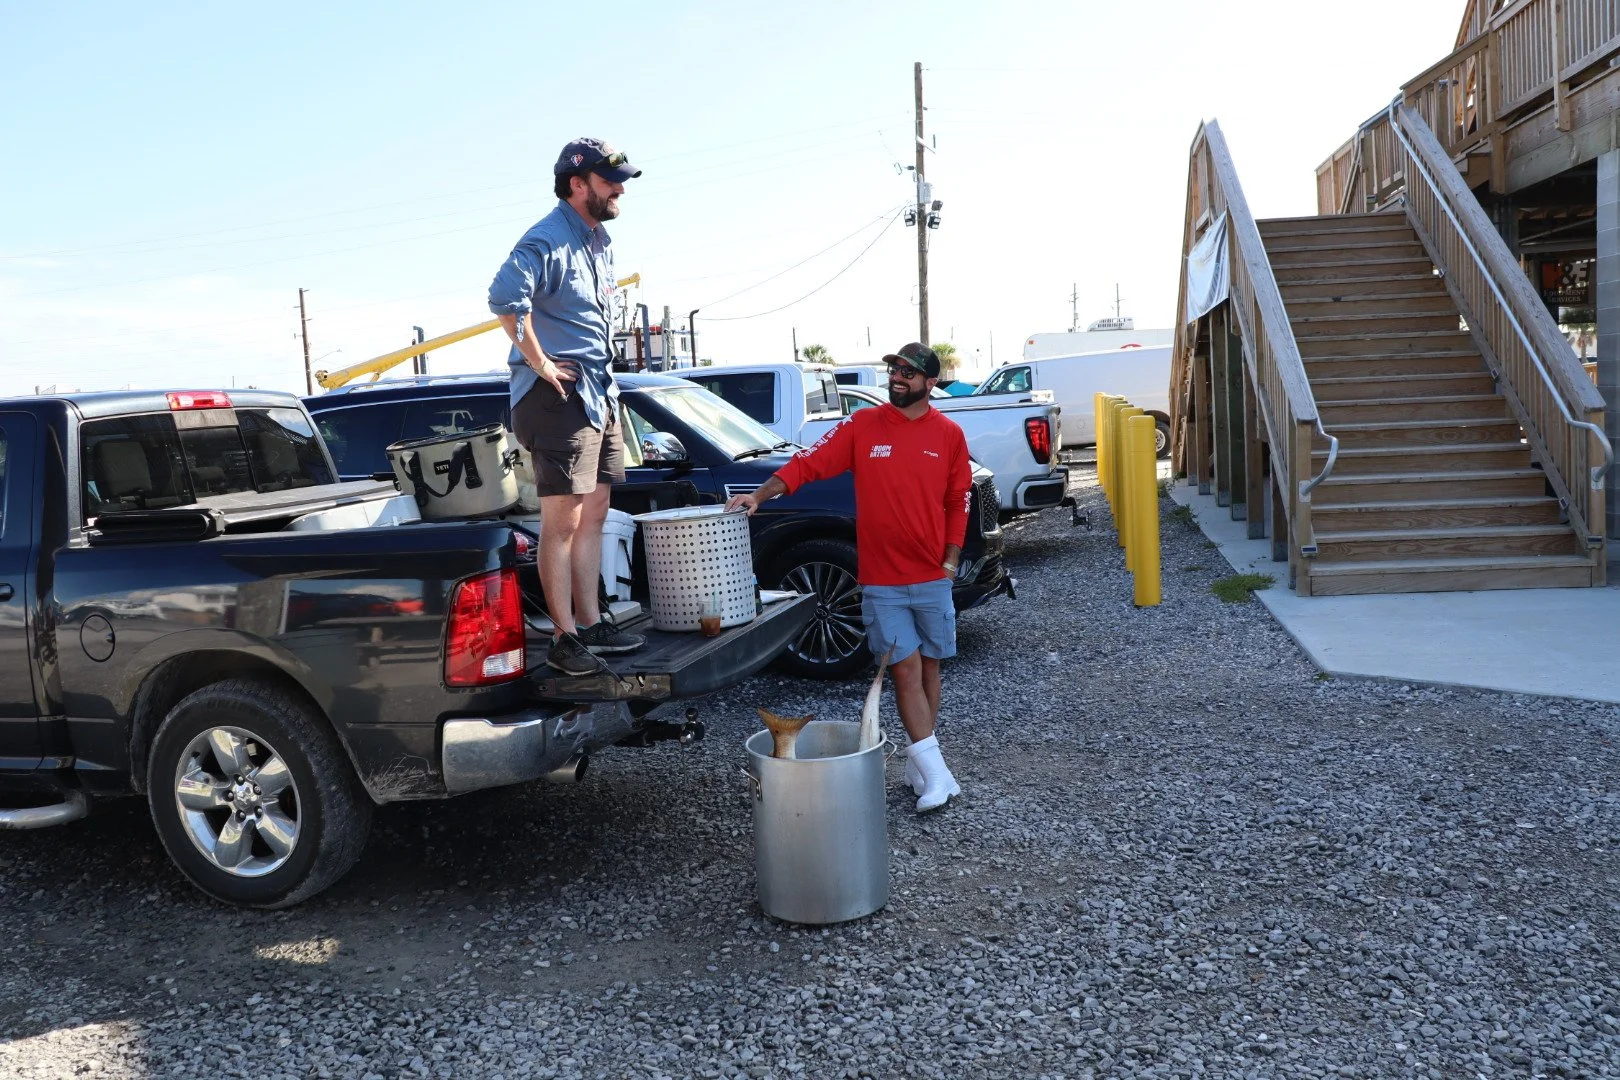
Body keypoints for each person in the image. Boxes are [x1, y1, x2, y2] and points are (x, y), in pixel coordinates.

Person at [726, 342, 972, 812]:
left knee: (931, 667)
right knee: (903, 669)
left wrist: (951, 560)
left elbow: (957, 499)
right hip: (882, 580)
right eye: (894, 369)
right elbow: (806, 464)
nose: (897, 377)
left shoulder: (949, 435)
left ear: (930, 383)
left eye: (908, 372)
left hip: (933, 577)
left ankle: (923, 765)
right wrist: (760, 495)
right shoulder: (862, 426)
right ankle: (939, 774)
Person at [488, 137, 645, 675]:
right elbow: (504, 299)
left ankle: (590, 620)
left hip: (598, 394)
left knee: (595, 514)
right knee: (563, 520)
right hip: (559, 397)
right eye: (609, 180)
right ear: (577, 184)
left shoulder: (597, 240)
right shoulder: (548, 239)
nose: (620, 188)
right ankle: (564, 639)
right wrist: (540, 364)